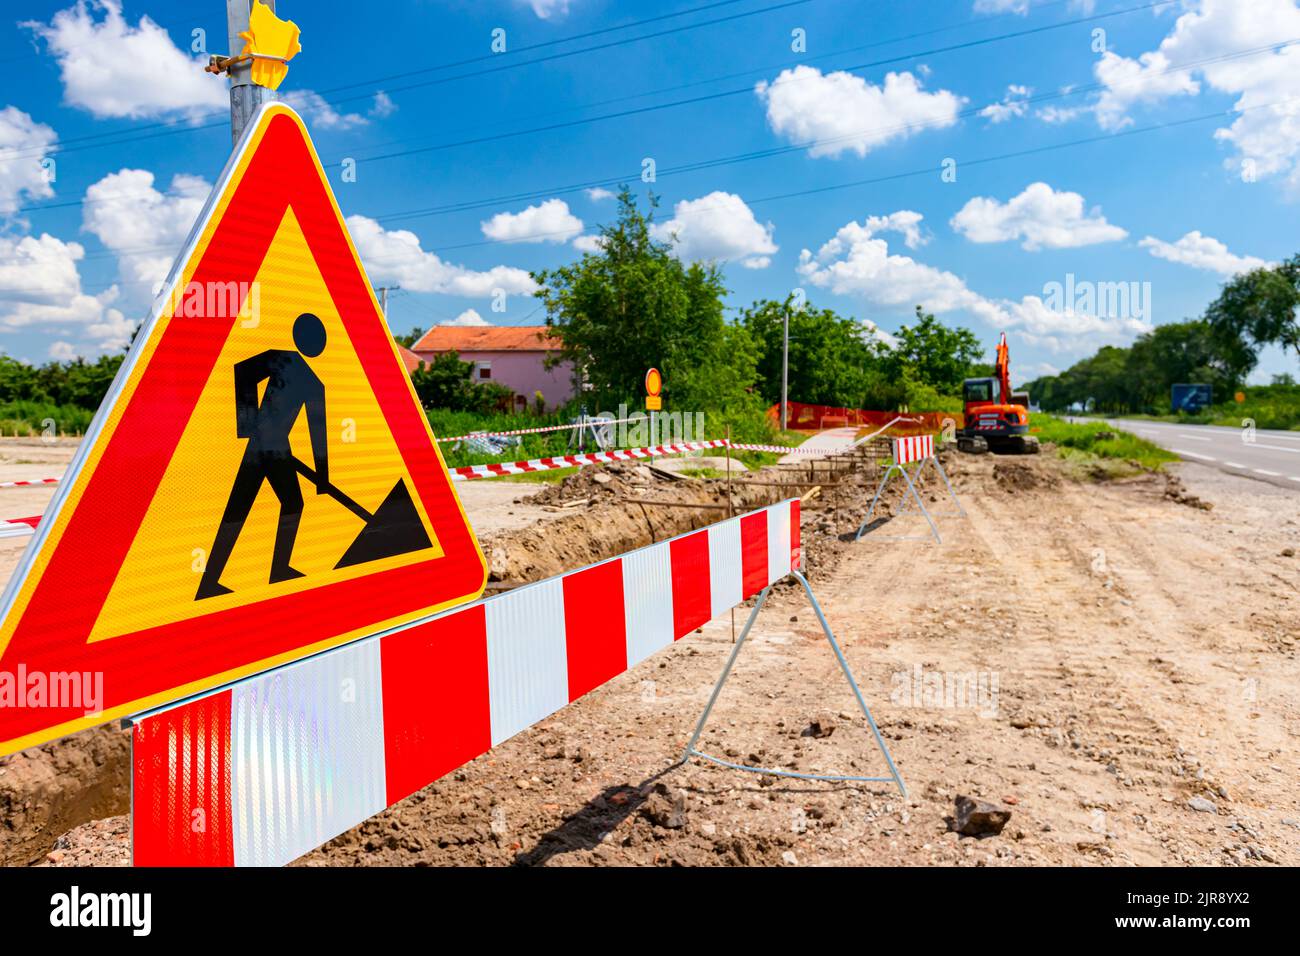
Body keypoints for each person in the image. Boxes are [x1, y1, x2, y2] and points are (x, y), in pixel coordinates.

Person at [195, 313, 329, 600]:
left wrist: (322, 475)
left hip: (274, 445)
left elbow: (318, 430)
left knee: (255, 507)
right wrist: (247, 425)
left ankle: (225, 579)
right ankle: (221, 579)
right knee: (254, 507)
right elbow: (243, 371)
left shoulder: (312, 381)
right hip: (265, 444)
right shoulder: (283, 361)